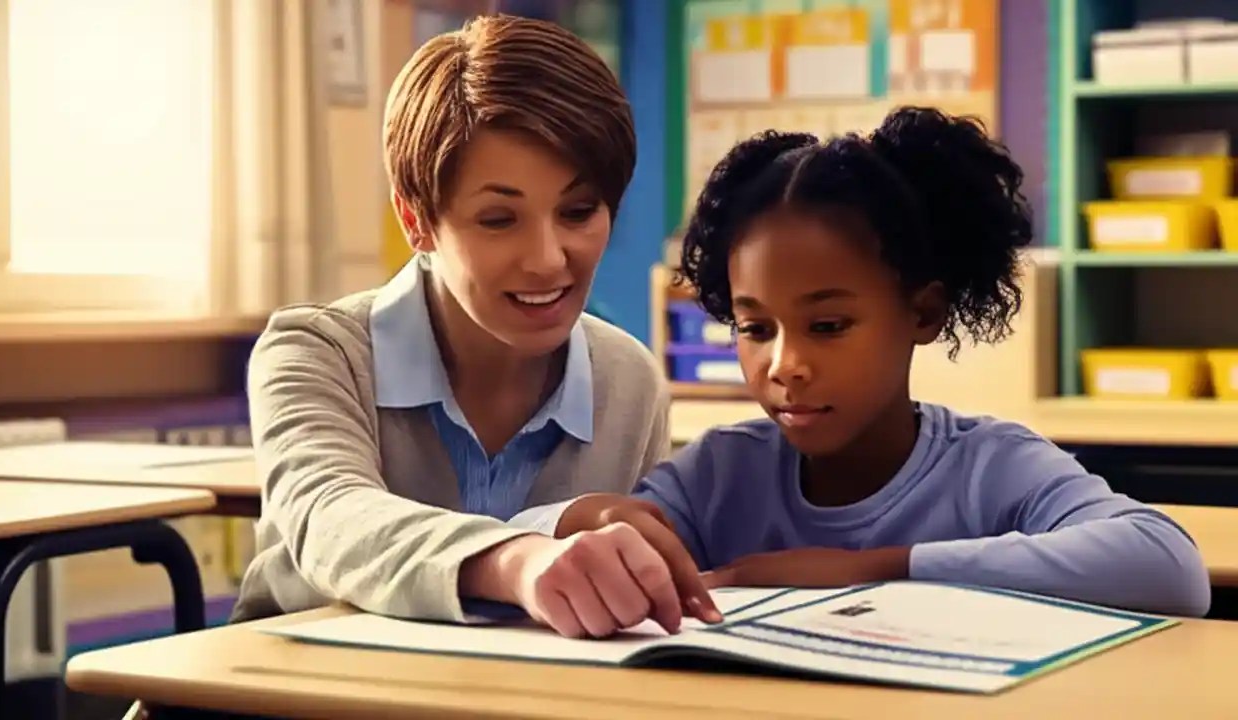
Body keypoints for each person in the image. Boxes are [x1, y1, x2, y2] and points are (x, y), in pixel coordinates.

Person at [518, 106, 1212, 620]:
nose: (785, 364)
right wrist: (591, 519)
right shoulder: (721, 473)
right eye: (756, 326)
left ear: (922, 313)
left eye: (828, 325)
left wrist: (865, 569)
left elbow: (1168, 568)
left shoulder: (991, 470)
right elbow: (513, 543)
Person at [231, 14, 719, 640]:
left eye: (578, 211)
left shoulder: (627, 381)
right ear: (417, 222)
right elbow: (332, 521)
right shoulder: (318, 352)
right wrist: (520, 557)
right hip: (300, 698)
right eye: (497, 219)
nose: (548, 257)